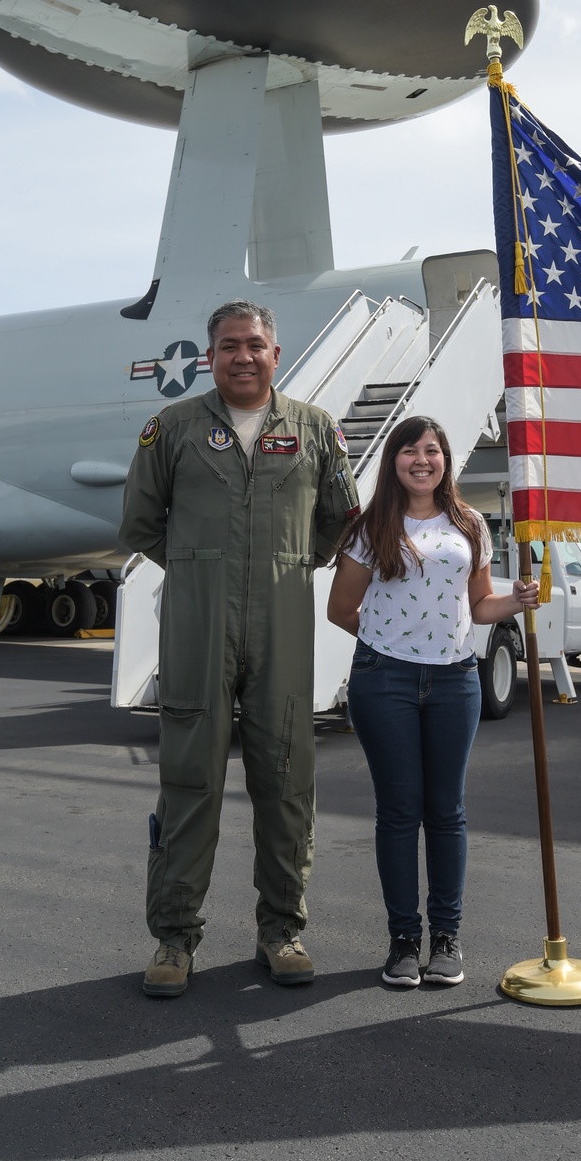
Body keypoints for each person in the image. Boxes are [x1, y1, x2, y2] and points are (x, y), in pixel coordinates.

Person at [120, 299, 359, 997]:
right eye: (229, 346)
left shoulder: (315, 430)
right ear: (211, 357)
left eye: (254, 344)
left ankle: (282, 930)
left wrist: (287, 566)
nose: (243, 357)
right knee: (188, 779)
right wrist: (201, 568)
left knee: (286, 782)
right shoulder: (172, 428)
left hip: (282, 629)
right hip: (198, 629)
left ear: (275, 354)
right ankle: (174, 938)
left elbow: (340, 522)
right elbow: (140, 523)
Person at [327, 415, 538, 988]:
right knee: (399, 812)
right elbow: (341, 609)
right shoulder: (371, 527)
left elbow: (480, 606)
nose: (421, 460)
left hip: (454, 681)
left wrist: (516, 601)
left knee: (446, 812)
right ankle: (403, 940)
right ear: (393, 460)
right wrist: (391, 644)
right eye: (409, 451)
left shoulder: (470, 524)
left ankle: (446, 938)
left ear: (445, 459)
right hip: (385, 681)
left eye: (432, 450)